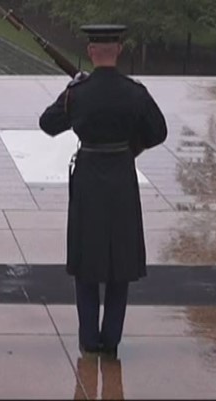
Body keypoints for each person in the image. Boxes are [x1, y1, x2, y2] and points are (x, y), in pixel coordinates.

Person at [39, 24, 167, 356]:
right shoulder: (135, 92)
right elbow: (158, 131)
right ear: (120, 50)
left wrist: (69, 89)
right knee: (119, 262)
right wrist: (131, 146)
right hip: (122, 176)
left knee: (86, 261)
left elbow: (48, 123)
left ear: (91, 51)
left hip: (88, 180)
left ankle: (88, 338)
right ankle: (111, 339)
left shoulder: (78, 93)